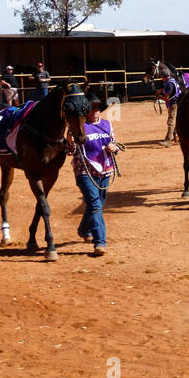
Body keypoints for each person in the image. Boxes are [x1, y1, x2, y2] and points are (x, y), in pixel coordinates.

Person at [69, 93, 120, 256]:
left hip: (104, 170)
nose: (96, 111)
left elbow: (114, 143)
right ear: (85, 111)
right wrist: (70, 142)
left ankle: (84, 229)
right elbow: (70, 151)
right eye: (92, 108)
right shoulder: (78, 127)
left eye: (98, 107)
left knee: (97, 204)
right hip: (84, 171)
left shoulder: (107, 124)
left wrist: (114, 148)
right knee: (95, 204)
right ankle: (100, 242)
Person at [160, 72, 183, 145]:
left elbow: (166, 97)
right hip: (175, 102)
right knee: (175, 120)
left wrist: (159, 97)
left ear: (164, 77)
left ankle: (168, 140)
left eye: (162, 77)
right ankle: (177, 137)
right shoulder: (172, 81)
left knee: (171, 121)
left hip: (173, 103)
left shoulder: (169, 84)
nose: (161, 78)